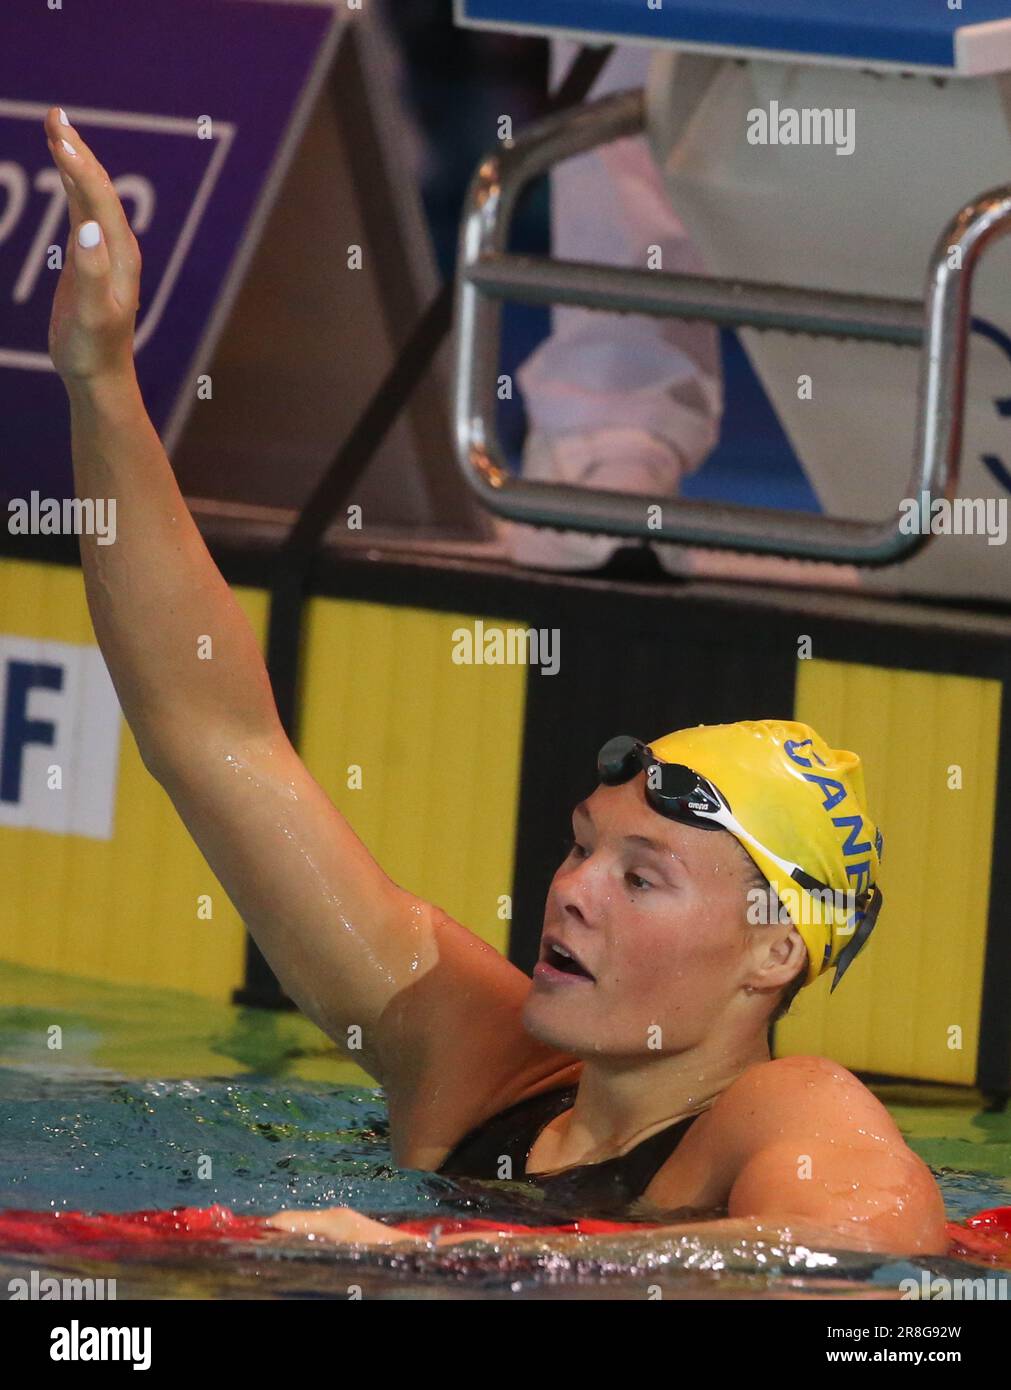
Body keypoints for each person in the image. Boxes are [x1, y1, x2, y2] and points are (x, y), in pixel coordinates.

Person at [43, 110, 947, 1258]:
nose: (571, 891)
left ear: (775, 950)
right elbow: (215, 736)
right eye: (583, 845)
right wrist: (104, 385)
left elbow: (866, 1253)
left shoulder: (788, 1110)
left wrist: (433, 1253)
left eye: (643, 875)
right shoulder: (469, 1063)